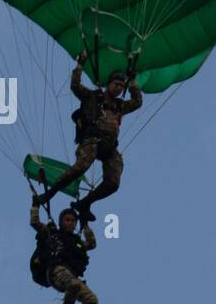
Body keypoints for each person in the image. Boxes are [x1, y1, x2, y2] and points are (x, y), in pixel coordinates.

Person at [37, 48, 142, 222]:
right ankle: (51, 192)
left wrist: (133, 82)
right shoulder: (93, 97)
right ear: (109, 83)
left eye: (121, 86)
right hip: (92, 140)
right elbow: (75, 86)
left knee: (113, 183)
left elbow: (137, 102)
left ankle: (85, 204)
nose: (118, 88)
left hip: (109, 147)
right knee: (80, 168)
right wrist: (80, 65)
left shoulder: (119, 106)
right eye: (116, 84)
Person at [29, 203, 97, 304]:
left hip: (72, 277)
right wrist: (35, 206)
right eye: (67, 220)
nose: (70, 223)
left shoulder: (77, 242)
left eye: (73, 221)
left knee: (92, 300)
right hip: (56, 271)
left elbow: (91, 244)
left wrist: (85, 224)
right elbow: (35, 223)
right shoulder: (53, 235)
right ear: (61, 221)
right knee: (73, 285)